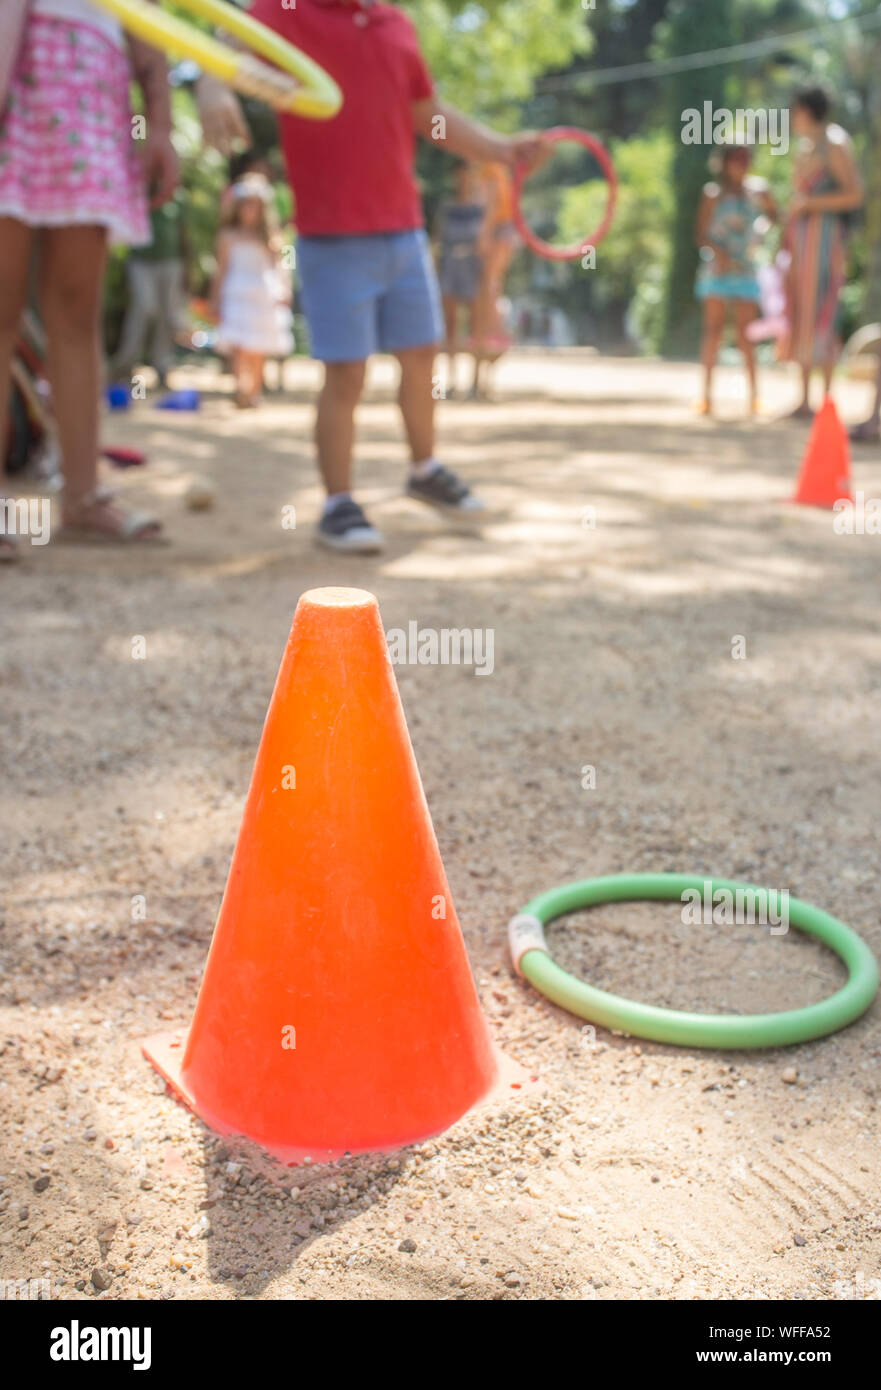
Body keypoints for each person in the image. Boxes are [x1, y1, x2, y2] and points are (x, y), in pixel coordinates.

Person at [197, 0, 547, 553]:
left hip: (402, 230)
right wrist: (214, 89)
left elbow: (428, 115)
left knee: (422, 352)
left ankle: (424, 468)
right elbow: (226, 40)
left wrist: (501, 150)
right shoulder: (287, 11)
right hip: (330, 235)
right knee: (347, 374)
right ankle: (339, 504)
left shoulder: (394, 23)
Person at [0, 0, 177, 558]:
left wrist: (160, 127)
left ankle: (82, 496)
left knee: (77, 315)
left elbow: (149, 28)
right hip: (13, 90)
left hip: (91, 109)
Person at [784, 86, 863, 418]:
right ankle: (803, 399)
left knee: (825, 312)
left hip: (827, 240)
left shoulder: (835, 143)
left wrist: (811, 204)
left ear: (805, 108)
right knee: (801, 312)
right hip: (802, 243)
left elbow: (853, 195)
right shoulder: (805, 147)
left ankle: (826, 400)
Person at [694, 143, 777, 418]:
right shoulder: (713, 193)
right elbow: (701, 234)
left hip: (746, 271)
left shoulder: (759, 191)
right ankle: (706, 398)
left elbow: (776, 217)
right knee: (713, 332)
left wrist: (762, 232)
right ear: (725, 162)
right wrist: (720, 254)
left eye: (745, 159)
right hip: (717, 272)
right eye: (736, 159)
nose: (741, 165)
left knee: (746, 335)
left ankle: (754, 398)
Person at [212, 173, 293, 408]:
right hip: (236, 290)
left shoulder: (273, 236)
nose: (248, 210)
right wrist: (215, 297)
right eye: (245, 205)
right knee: (238, 343)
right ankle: (241, 388)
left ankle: (254, 389)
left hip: (262, 292)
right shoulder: (227, 236)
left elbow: (285, 263)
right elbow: (221, 268)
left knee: (258, 346)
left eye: (253, 205)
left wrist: (285, 287)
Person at [112, 193, 188, 389]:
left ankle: (162, 365)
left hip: (170, 263)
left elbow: (183, 235)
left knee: (167, 315)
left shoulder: (176, 199)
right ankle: (126, 364)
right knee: (145, 309)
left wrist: (189, 270)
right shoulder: (137, 194)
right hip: (141, 262)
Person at [436, 161, 488, 398]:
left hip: (474, 268)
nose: (464, 181)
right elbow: (439, 242)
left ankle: (477, 383)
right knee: (451, 325)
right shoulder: (446, 208)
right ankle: (451, 381)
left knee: (477, 325)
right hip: (450, 268)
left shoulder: (483, 210)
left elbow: (489, 245)